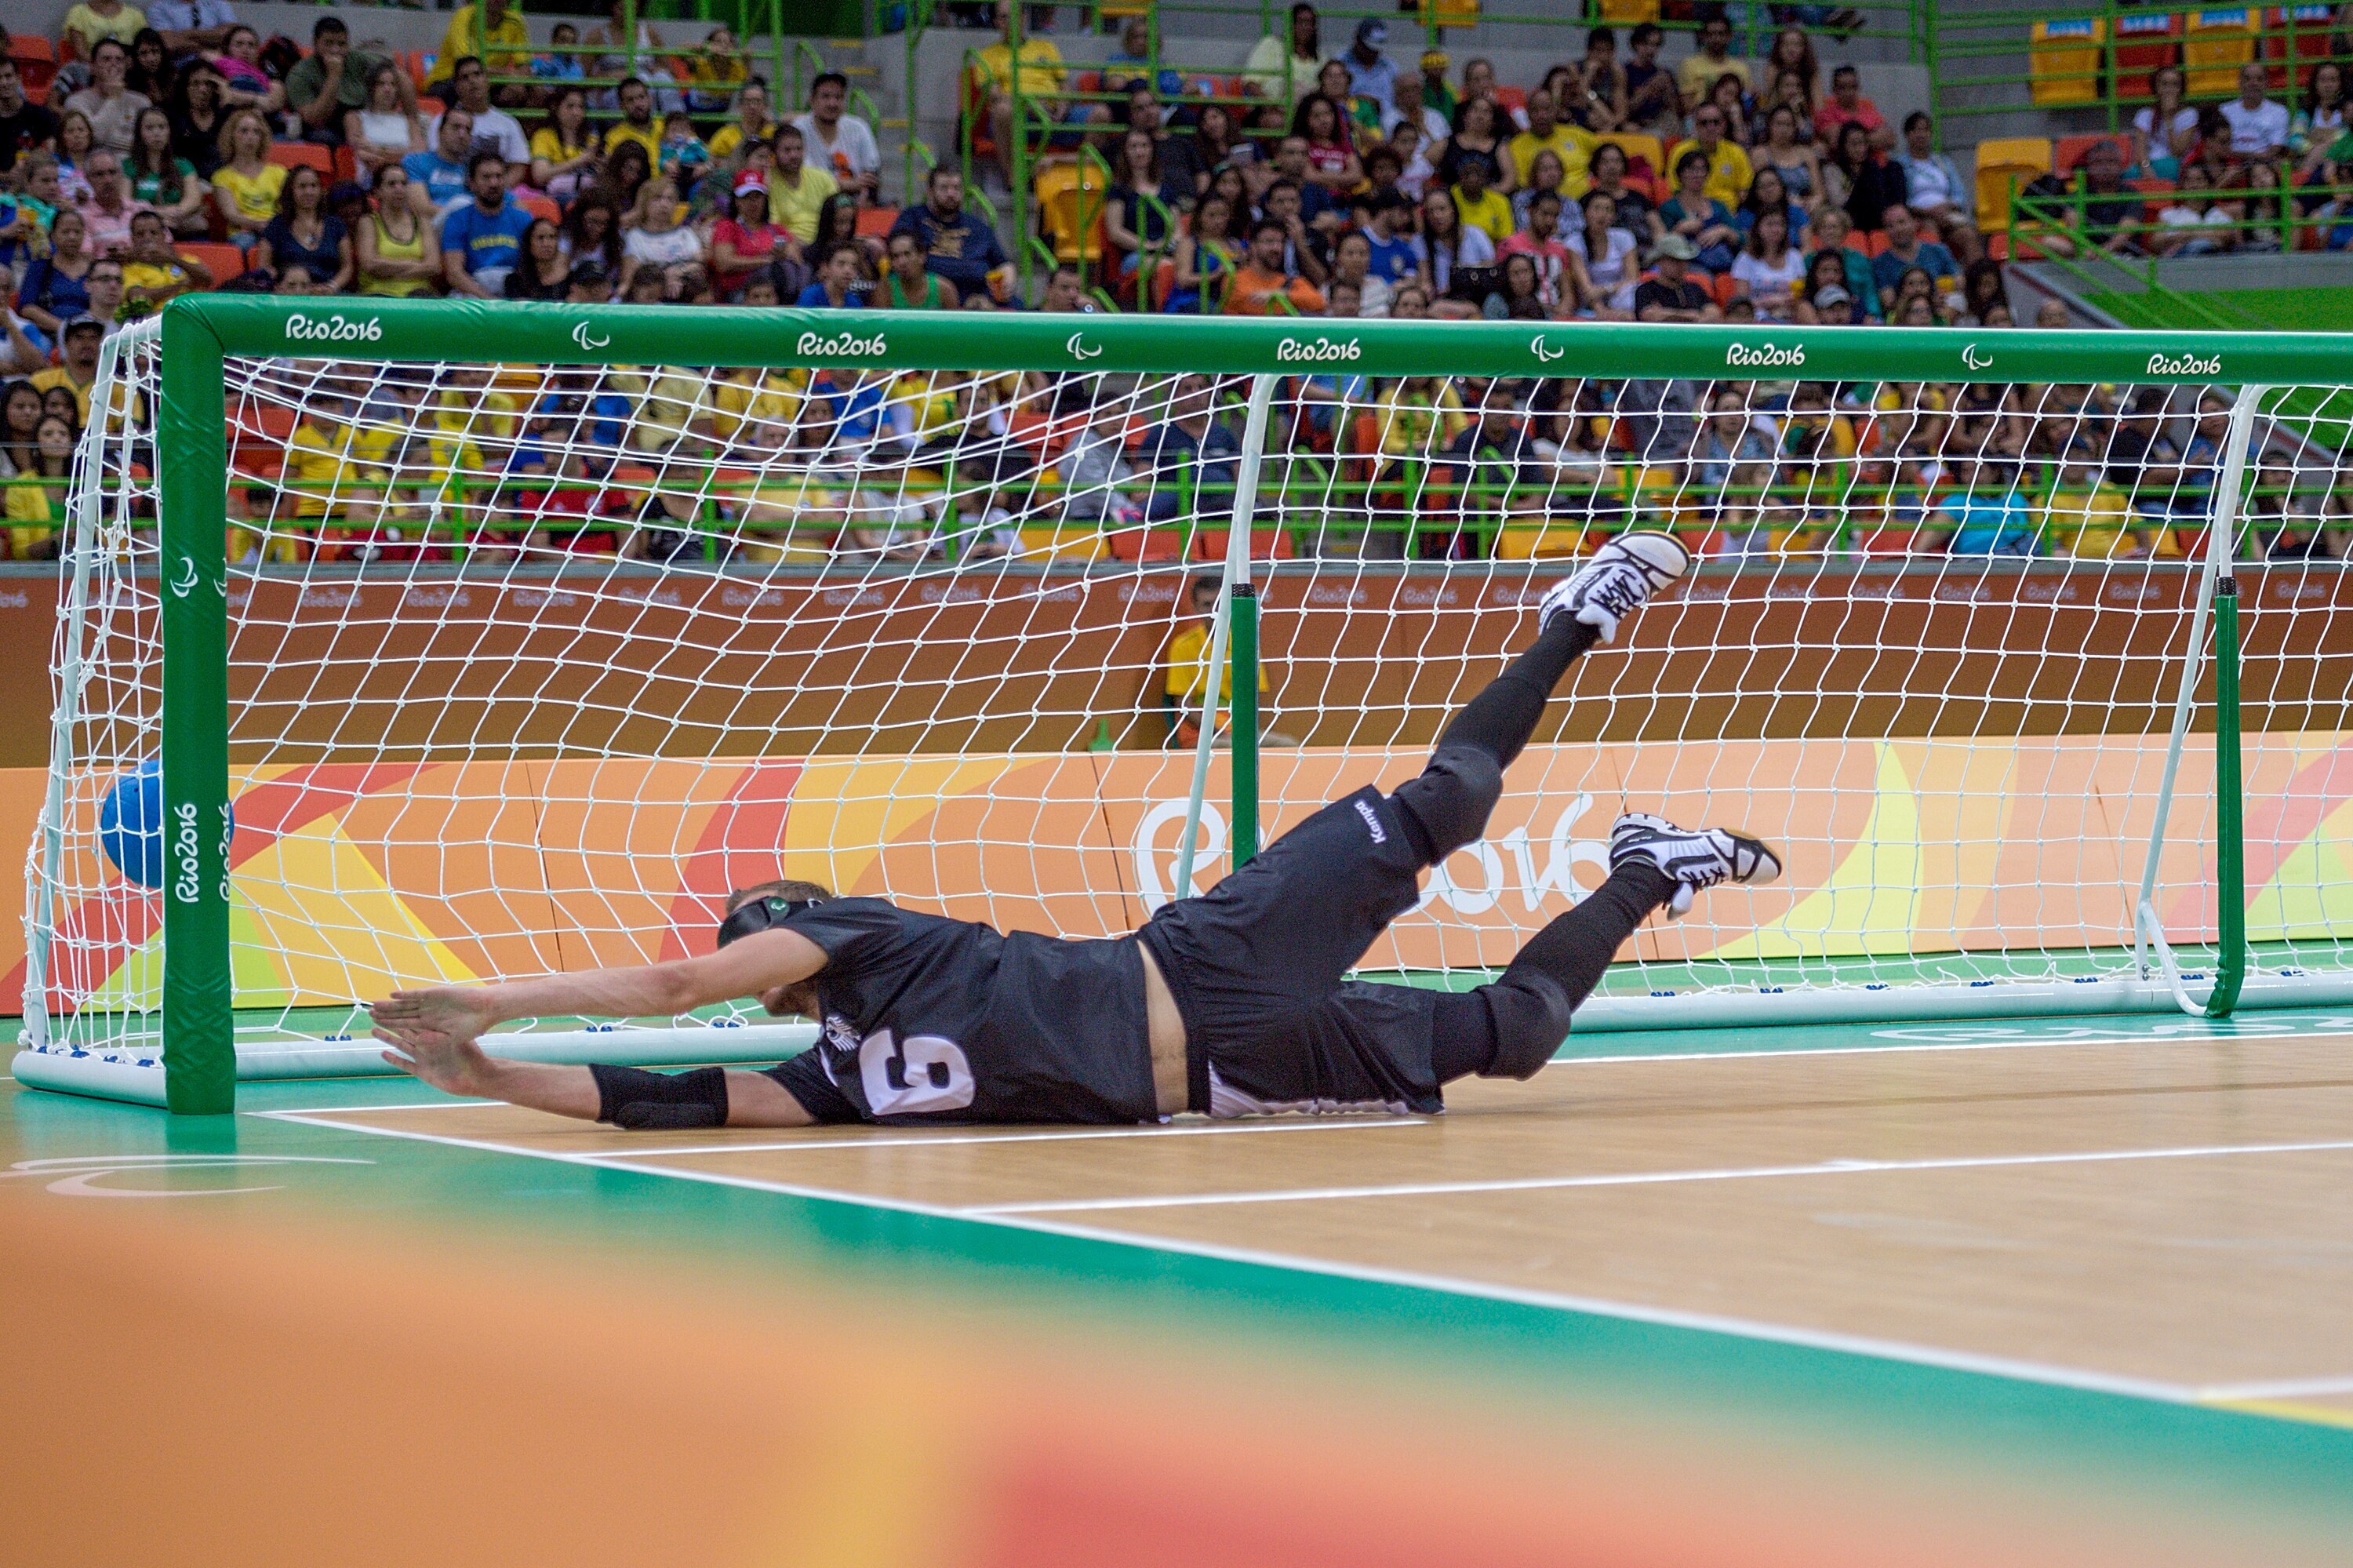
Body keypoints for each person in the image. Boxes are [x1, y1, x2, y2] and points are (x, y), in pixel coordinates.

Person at [375, 536, 1781, 1131]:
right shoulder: (828, 1077)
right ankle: (1647, 870)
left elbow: (679, 993)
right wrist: (486, 1074)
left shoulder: (863, 939)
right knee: (1518, 1033)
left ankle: (1573, 617)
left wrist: (490, 995)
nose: (749, 964)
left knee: (1445, 806)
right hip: (1230, 1070)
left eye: (756, 943)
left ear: (779, 934)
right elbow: (665, 1098)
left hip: (1203, 961)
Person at [888, 165, 1007, 302]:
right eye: (944, 188)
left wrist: (1009, 272)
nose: (951, 194)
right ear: (930, 191)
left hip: (977, 299)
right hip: (927, 299)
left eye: (956, 188)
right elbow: (899, 257)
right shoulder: (912, 218)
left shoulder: (977, 226)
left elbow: (1003, 263)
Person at [438, 150, 531, 297]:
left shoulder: (524, 219)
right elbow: (454, 274)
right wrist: (488, 300)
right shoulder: (457, 219)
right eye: (486, 177)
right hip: (473, 292)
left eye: (498, 177)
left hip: (515, 290)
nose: (493, 183)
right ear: (472, 183)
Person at [285, 16, 383, 147]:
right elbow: (315, 120)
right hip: (326, 128)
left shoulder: (356, 59)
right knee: (323, 137)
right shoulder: (300, 73)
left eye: (341, 44)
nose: (335, 50)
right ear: (315, 43)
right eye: (329, 43)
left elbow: (393, 72)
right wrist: (333, 76)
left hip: (361, 122)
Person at [433, 56, 530, 184]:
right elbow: (435, 161)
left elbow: (518, 168)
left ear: (487, 80)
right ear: (457, 87)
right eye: (465, 77)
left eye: (477, 74)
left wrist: (495, 191)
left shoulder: (508, 123)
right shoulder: (442, 121)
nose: (472, 81)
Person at [253, 162, 349, 290]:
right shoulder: (276, 225)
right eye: (302, 186)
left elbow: (347, 266)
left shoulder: (335, 225)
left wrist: (331, 287)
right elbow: (264, 266)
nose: (309, 192)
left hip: (328, 296)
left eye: (314, 186)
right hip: (289, 296)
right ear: (291, 191)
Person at [353, 163, 440, 296]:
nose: (399, 189)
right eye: (392, 184)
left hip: (419, 294)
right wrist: (412, 264)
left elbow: (433, 266)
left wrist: (389, 271)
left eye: (404, 184)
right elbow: (370, 264)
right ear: (377, 191)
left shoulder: (423, 223)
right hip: (379, 294)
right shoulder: (368, 222)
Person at [795, 70, 880, 203]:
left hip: (853, 205)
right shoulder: (798, 130)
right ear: (812, 101)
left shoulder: (859, 128)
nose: (832, 103)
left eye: (838, 97)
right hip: (811, 204)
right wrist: (850, 184)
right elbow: (805, 180)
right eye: (826, 97)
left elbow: (872, 174)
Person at [1222, 216, 1326, 315]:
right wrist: (1287, 302)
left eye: (1280, 242)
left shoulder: (1290, 281)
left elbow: (1319, 302)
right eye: (1269, 242)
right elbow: (1252, 305)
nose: (1276, 248)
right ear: (1253, 246)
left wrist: (1281, 295)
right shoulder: (1235, 279)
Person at [67, 38, 152, 158]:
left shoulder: (141, 102)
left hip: (137, 165)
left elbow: (151, 142)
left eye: (119, 60)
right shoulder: (76, 102)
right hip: (98, 166)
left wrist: (110, 141)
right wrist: (113, 98)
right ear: (92, 67)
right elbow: (95, 137)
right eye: (106, 59)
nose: (114, 64)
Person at [127, 105, 204, 236]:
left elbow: (193, 200)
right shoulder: (129, 166)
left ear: (169, 131)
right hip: (142, 231)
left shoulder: (184, 165)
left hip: (180, 226)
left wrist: (174, 213)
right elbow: (126, 203)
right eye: (149, 128)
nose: (157, 133)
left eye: (162, 127)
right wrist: (158, 217)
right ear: (139, 133)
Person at [709, 173, 786, 298]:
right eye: (746, 197)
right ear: (736, 201)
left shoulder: (776, 229)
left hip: (775, 292)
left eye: (757, 196)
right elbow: (724, 263)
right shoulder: (727, 226)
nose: (753, 202)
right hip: (738, 292)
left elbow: (794, 255)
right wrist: (764, 260)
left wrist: (782, 254)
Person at [433, 0, 531, 96]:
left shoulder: (515, 21)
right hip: (448, 81)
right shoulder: (465, 16)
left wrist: (517, 81)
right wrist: (509, 75)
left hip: (491, 83)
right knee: (470, 85)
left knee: (537, 93)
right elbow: (468, 67)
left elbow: (525, 69)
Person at [1868, 203, 1958, 307]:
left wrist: (1942, 289)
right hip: (1903, 316)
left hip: (1941, 307)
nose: (1898, 229)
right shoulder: (1880, 263)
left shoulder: (1938, 250)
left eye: (1902, 222)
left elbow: (1959, 280)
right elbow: (1888, 301)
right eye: (1890, 226)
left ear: (1915, 223)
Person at [1667, 102, 1752, 209]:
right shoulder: (1680, 151)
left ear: (1724, 125)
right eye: (1704, 123)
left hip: (1730, 215)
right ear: (1696, 126)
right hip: (1692, 213)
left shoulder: (1736, 151)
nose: (1710, 127)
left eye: (1716, 122)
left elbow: (1744, 190)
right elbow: (1676, 190)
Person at [119, 206, 209, 304]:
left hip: (189, 315)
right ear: (133, 239)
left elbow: (207, 279)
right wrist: (181, 285)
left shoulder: (185, 260)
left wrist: (173, 259)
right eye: (140, 234)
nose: (148, 238)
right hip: (153, 318)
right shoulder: (129, 269)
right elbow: (137, 298)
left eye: (154, 233)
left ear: (163, 235)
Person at [768, 122, 838, 248]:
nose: (794, 155)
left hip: (827, 245)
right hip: (790, 248)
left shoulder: (824, 177)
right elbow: (773, 229)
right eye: (787, 150)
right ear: (775, 153)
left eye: (798, 149)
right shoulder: (768, 183)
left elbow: (838, 216)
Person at [1244, 1, 1323, 106]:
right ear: (1291, 23)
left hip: (1306, 114)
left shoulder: (1321, 57)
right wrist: (1272, 107)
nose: (1306, 27)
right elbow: (1251, 83)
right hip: (1271, 108)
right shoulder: (1271, 44)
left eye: (1310, 23)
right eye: (1301, 22)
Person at [403, 106, 475, 216]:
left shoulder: (474, 169)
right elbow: (420, 208)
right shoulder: (415, 161)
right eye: (456, 127)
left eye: (468, 130)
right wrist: (463, 218)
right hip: (431, 226)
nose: (462, 135)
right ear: (440, 131)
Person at [2133, 65, 2198, 183]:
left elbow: (2177, 152)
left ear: (2181, 89)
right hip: (2149, 164)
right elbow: (2140, 149)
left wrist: (2169, 117)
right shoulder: (2144, 114)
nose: (2169, 89)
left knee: (2170, 168)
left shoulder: (2190, 114)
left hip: (2175, 164)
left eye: (2175, 85)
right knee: (2130, 174)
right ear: (2156, 87)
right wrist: (2145, 167)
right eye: (2164, 84)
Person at [2220, 60, 2290, 168]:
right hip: (2230, 164)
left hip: (2264, 166)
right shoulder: (2224, 111)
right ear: (2240, 82)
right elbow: (2220, 149)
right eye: (2248, 79)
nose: (2254, 83)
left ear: (2267, 83)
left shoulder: (2280, 112)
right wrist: (2254, 155)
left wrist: (2246, 157)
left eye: (2259, 79)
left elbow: (2275, 149)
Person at [1636, 232, 1720, 322]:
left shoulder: (1695, 288)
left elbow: (1715, 313)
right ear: (1659, 261)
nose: (1681, 265)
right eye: (1674, 260)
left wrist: (1668, 314)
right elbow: (1649, 315)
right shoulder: (1646, 290)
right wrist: (1691, 316)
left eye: (1684, 260)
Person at [0, 60, 61, 180]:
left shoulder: (41, 115)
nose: (4, 83)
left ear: (18, 78)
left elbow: (52, 157)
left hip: (32, 187)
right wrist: (6, 176)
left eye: (8, 76)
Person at [1677, 15, 1751, 109]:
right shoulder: (1689, 65)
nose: (1716, 39)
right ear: (1703, 36)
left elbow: (1746, 103)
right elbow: (1686, 106)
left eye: (1721, 34)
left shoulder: (1741, 68)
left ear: (1730, 36)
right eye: (1711, 34)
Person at [1813, 64, 1885, 150]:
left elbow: (1889, 139)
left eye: (1853, 87)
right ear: (1834, 90)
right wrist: (1872, 135)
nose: (1849, 92)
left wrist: (1852, 139)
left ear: (1858, 87)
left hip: (1876, 162)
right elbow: (1836, 141)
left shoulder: (1868, 109)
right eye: (1843, 88)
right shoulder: (1826, 114)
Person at [602, 75, 664, 165]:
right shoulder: (614, 138)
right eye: (630, 100)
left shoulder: (666, 126)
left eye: (641, 97)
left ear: (650, 99)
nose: (638, 104)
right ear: (622, 105)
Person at [147, 0, 239, 57]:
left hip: (220, 60)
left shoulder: (218, 3)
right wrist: (208, 50)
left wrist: (187, 34)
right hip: (181, 62)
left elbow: (232, 34)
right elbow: (169, 43)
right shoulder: (158, 8)